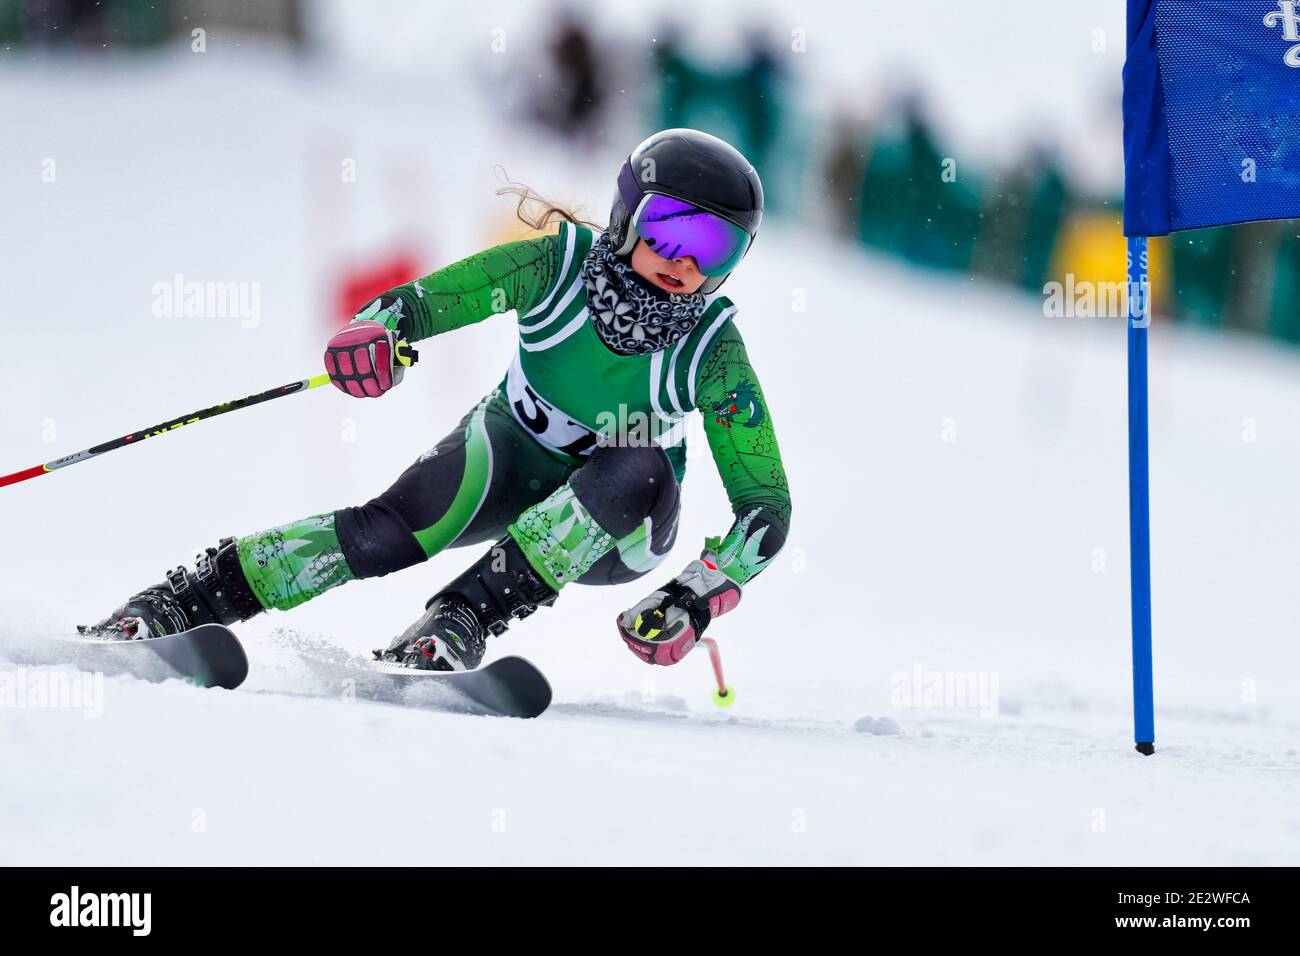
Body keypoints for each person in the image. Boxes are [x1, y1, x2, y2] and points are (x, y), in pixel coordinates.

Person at [84, 129, 792, 672]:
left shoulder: (712, 350)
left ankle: (461, 620)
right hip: (510, 453)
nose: (687, 261)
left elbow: (765, 505)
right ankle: (182, 602)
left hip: (618, 528)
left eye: (717, 247)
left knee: (636, 459)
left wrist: (695, 595)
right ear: (628, 216)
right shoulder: (557, 266)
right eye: (673, 228)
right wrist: (378, 333)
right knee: (385, 532)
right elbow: (421, 304)